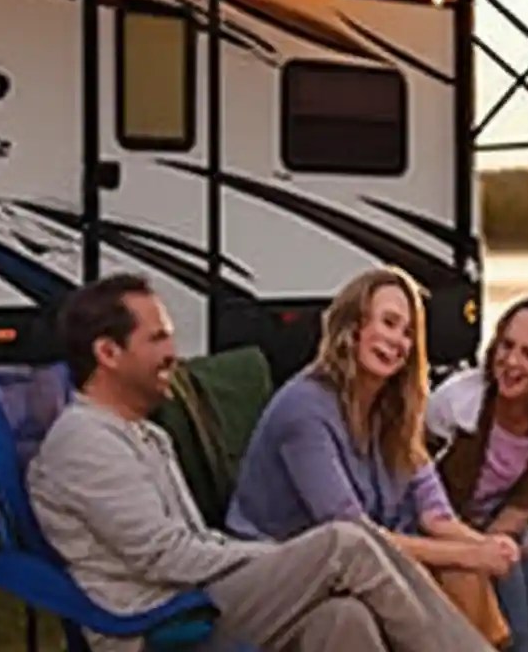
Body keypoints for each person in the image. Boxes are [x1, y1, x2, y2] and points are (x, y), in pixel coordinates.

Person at [26, 273, 497, 652]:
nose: (174, 354)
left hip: (197, 598)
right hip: (159, 624)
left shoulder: (142, 432)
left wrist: (282, 558)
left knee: (341, 620)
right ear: (108, 353)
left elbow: (190, 542)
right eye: (158, 339)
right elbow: (167, 557)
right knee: (345, 545)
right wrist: (280, 555)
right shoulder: (85, 442)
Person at [224, 267, 521, 646]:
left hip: (360, 563)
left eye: (408, 332)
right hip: (286, 570)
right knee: (453, 569)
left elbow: (435, 513)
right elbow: (356, 538)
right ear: (354, 325)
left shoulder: (391, 410)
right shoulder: (305, 409)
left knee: (472, 568)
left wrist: (485, 546)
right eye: (388, 322)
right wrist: (468, 554)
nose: (396, 340)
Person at [425, 297, 528, 652]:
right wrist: (481, 545)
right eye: (507, 345)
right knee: (509, 569)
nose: (511, 362)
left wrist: (495, 539)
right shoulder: (457, 401)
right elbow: (408, 472)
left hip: (492, 520)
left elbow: (522, 503)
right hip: (436, 521)